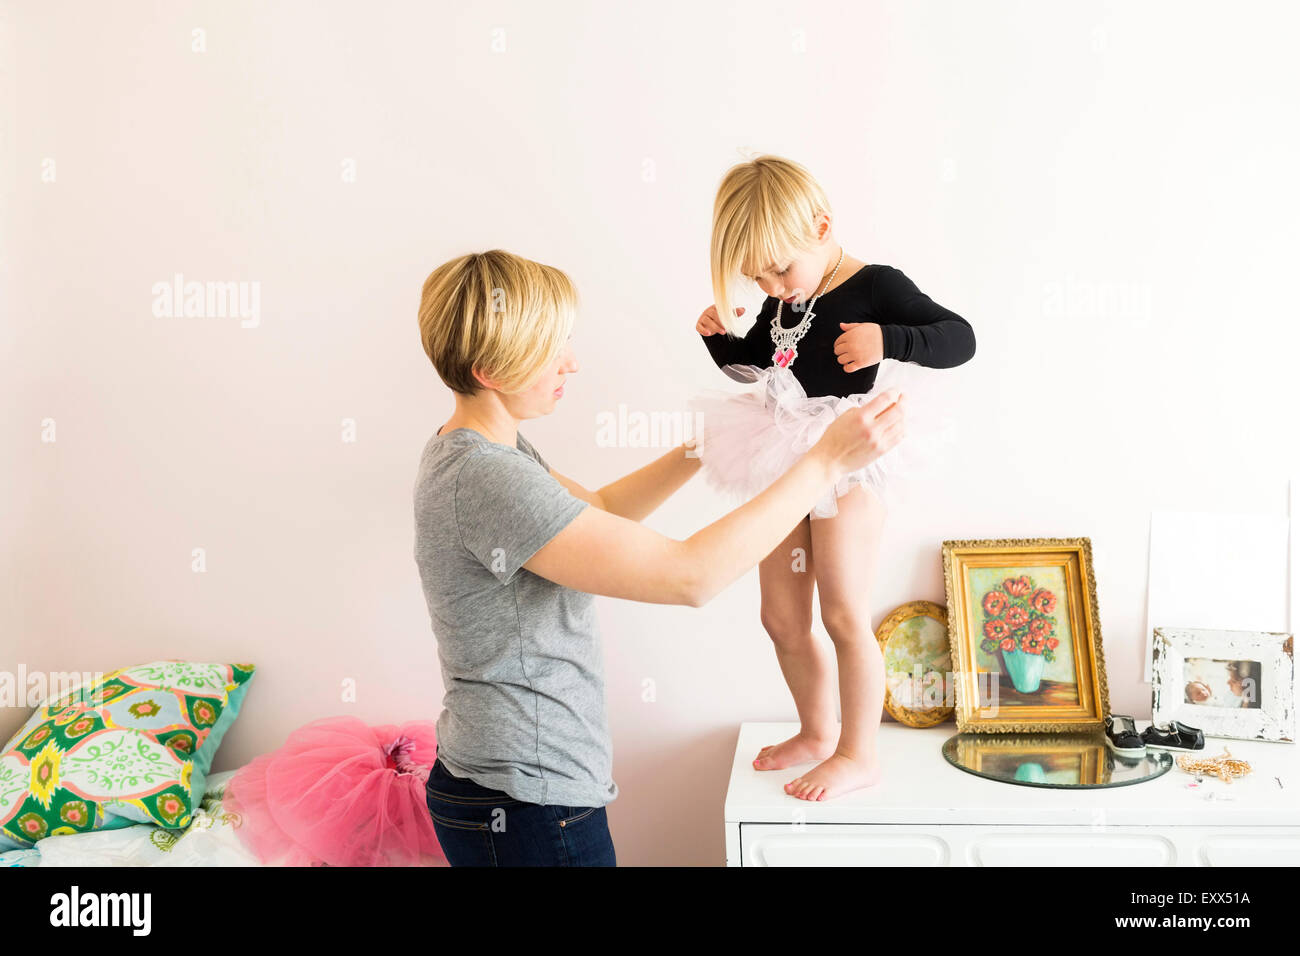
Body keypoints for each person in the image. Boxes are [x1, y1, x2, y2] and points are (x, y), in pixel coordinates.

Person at [414, 249, 904, 865]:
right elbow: (690, 577)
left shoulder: (483, 451)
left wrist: (705, 446)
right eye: (550, 350)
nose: (572, 362)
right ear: (491, 369)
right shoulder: (488, 480)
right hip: (523, 805)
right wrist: (824, 463)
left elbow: (599, 508)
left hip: (512, 790)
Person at [690, 155, 976, 801]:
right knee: (781, 617)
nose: (773, 285)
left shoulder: (877, 284)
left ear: (821, 226)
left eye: (779, 268)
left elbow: (959, 338)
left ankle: (858, 751)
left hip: (850, 465)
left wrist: (887, 338)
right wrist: (721, 343)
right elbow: (761, 367)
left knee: (843, 612)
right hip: (785, 461)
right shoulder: (783, 299)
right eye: (757, 275)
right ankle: (816, 732)